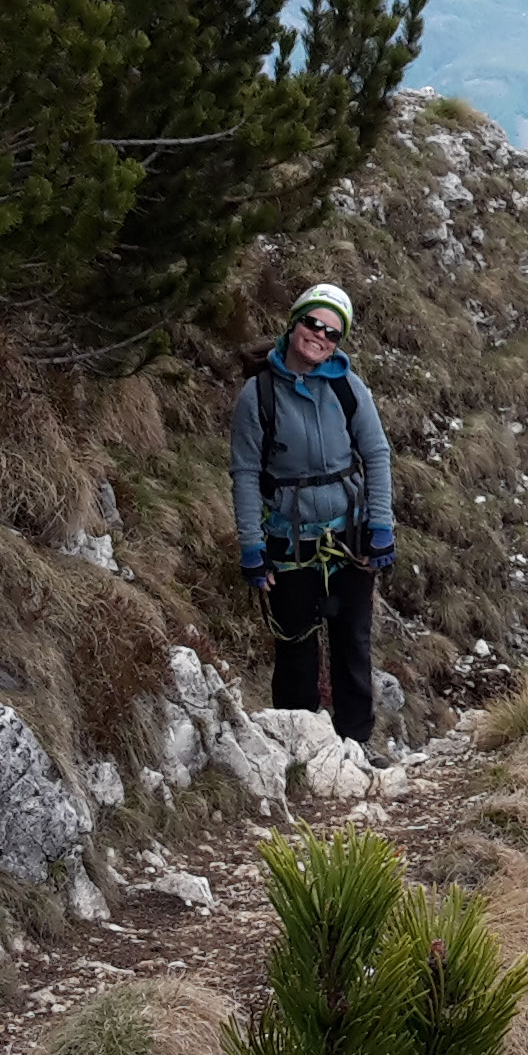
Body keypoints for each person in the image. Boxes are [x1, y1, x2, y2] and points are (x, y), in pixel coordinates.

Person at [230, 282, 396, 744]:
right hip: (288, 542)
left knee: (352, 647)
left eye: (332, 333)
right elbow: (244, 473)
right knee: (296, 652)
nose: (320, 336)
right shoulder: (257, 395)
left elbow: (377, 454)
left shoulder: (347, 387)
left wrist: (381, 526)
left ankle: (355, 748)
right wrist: (252, 549)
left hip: (350, 540)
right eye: (313, 323)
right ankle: (297, 751)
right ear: (294, 322)